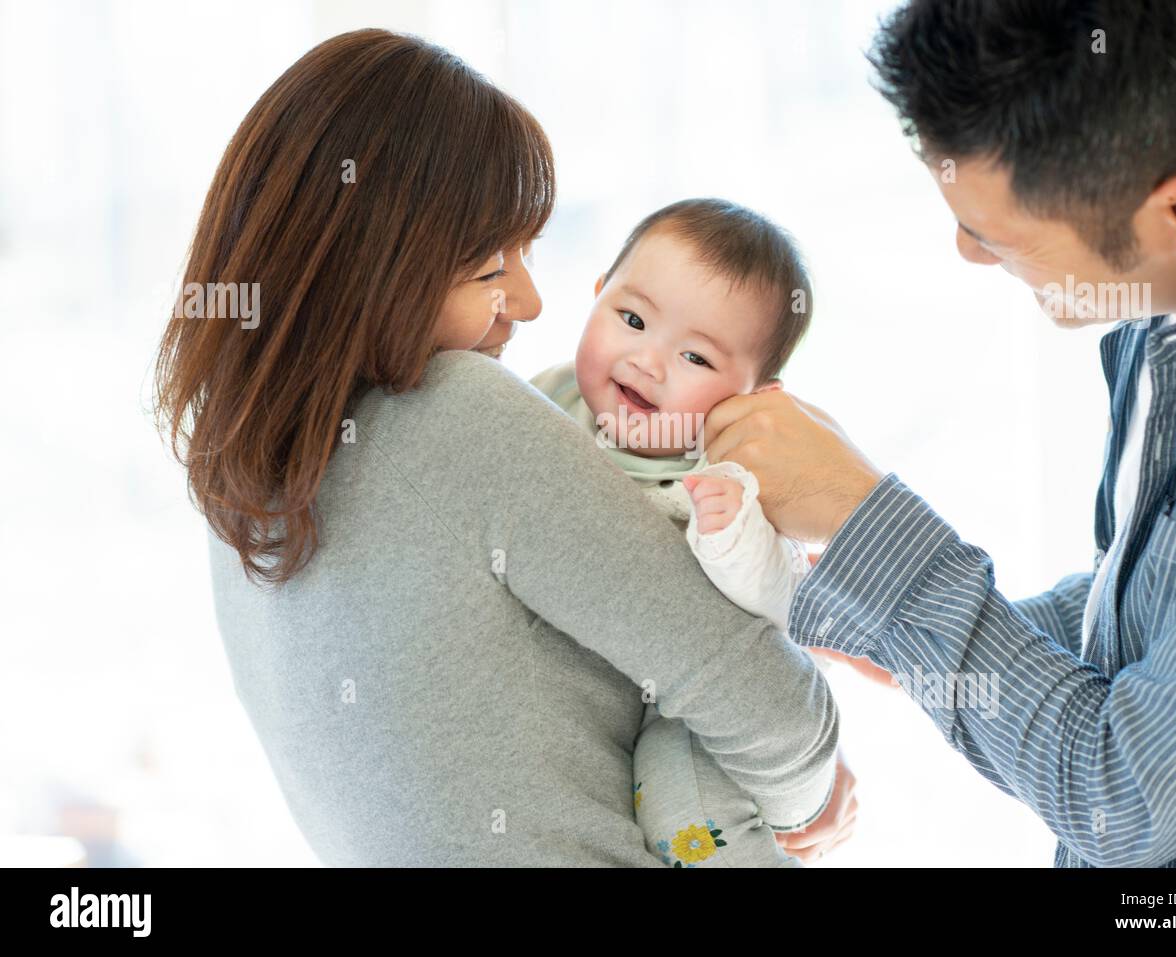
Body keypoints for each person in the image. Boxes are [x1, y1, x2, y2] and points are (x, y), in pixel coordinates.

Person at [153, 28, 850, 866]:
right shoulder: (453, 412)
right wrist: (812, 795)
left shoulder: (236, 476)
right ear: (379, 268)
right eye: (490, 267)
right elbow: (771, 712)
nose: (527, 299)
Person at [706, 0, 1176, 866]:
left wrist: (874, 531)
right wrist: (929, 628)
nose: (966, 251)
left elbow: (1121, 798)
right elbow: (1173, 610)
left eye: (998, 235)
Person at [530, 197, 822, 866]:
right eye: (631, 319)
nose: (648, 361)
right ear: (597, 294)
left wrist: (734, 539)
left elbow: (784, 601)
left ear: (754, 394)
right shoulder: (542, 402)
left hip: (685, 711)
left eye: (695, 356)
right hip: (583, 690)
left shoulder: (730, 474)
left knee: (688, 814)